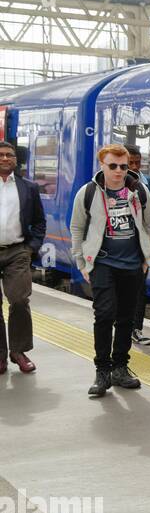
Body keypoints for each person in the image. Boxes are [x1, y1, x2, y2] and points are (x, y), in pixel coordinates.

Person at [70, 144, 150, 397]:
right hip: (103, 263)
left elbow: (149, 225)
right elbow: (77, 228)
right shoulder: (87, 193)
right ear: (102, 165)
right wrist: (82, 262)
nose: (119, 171)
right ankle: (102, 371)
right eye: (113, 166)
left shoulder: (138, 190)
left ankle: (120, 367)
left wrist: (146, 256)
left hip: (132, 264)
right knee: (105, 314)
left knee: (127, 318)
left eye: (123, 166)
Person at [0, 139, 45, 375]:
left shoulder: (28, 187)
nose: (6, 158)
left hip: (18, 250)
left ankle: (18, 351)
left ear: (16, 160)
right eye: (1, 155)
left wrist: (31, 248)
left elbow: (39, 221)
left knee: (18, 300)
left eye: (10, 155)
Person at [126, 145, 150, 347]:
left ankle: (135, 329)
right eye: (129, 162)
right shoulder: (109, 183)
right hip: (115, 246)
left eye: (137, 162)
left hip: (140, 246)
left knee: (139, 288)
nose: (133, 166)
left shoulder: (149, 184)